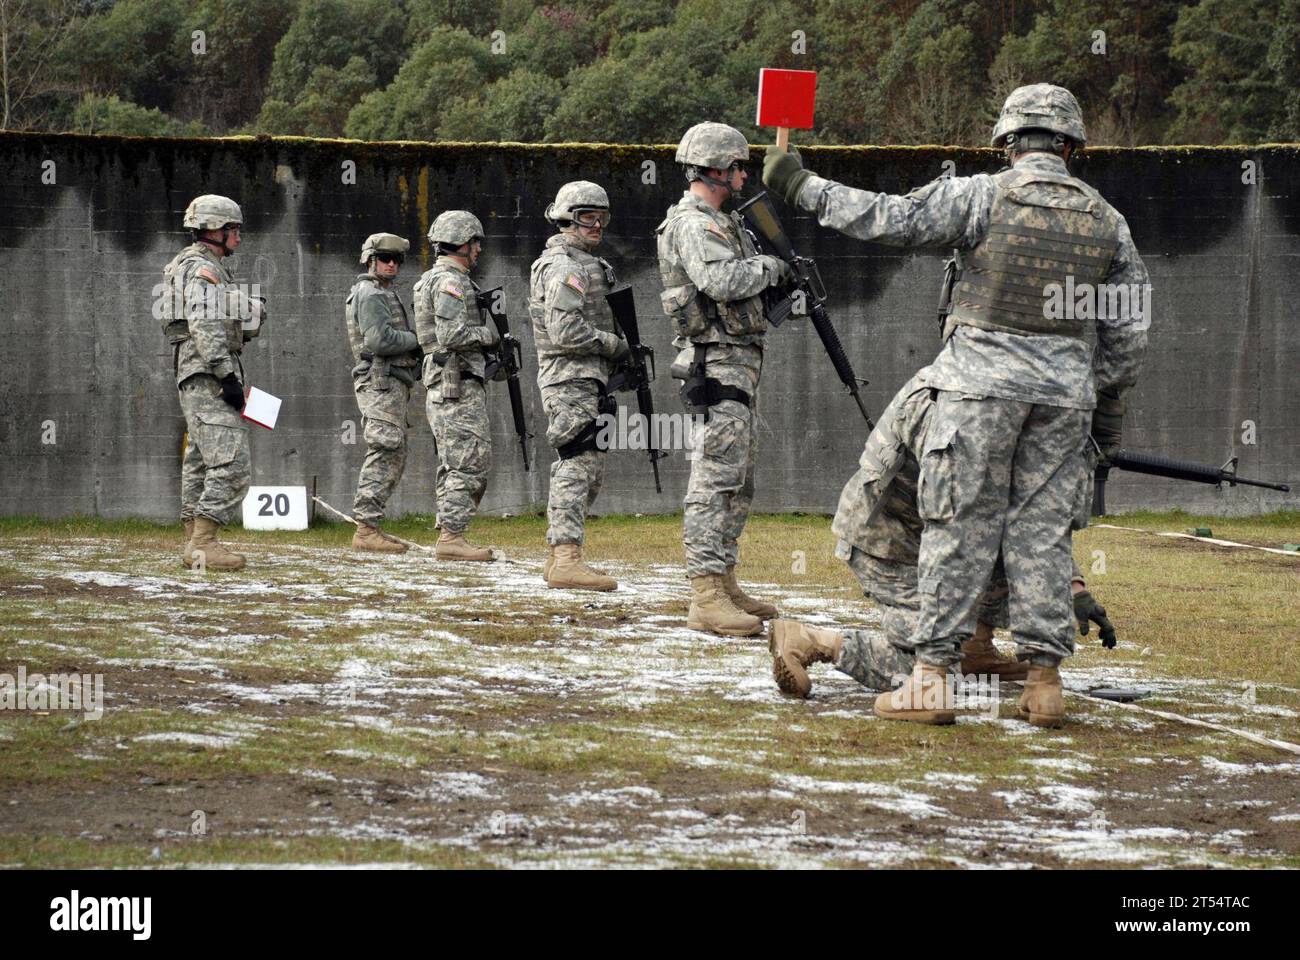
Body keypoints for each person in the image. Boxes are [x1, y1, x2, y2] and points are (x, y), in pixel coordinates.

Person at [763, 84, 1147, 726]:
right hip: (1064, 402)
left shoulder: (981, 196)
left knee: (958, 527)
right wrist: (1094, 396)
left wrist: (801, 185)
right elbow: (1129, 333)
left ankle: (932, 680)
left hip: (977, 389)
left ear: (1007, 143)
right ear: (1072, 146)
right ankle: (1045, 684)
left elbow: (892, 218)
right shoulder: (1108, 221)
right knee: (1041, 534)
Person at [768, 367, 1117, 714]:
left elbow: (1031, 512)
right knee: (936, 673)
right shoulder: (938, 398)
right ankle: (814, 641)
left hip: (949, 538)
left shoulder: (1018, 402)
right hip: (891, 545)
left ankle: (977, 650)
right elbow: (965, 515)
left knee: (1027, 580)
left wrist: (1072, 586)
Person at [656, 121, 793, 637]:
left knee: (739, 476)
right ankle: (706, 592)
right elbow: (720, 280)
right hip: (715, 362)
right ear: (717, 169)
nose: (744, 176)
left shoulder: (723, 222)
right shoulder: (695, 224)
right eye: (738, 167)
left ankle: (726, 579)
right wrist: (773, 269)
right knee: (715, 477)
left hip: (737, 359)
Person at [529, 181, 630, 591]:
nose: (598, 225)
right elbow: (565, 330)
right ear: (567, 218)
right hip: (569, 377)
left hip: (584, 377)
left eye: (602, 217)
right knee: (578, 463)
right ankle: (567, 557)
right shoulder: (566, 267)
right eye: (588, 216)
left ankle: (559, 559)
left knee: (588, 466)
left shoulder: (584, 263)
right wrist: (615, 345)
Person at [161, 194, 263, 572]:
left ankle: (195, 541)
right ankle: (203, 542)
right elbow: (204, 321)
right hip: (208, 371)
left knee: (202, 459)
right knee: (232, 461)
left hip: (198, 370)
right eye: (233, 230)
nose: (238, 237)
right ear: (214, 231)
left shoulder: (195, 266)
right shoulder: (202, 268)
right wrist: (226, 373)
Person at [413, 211, 498, 562]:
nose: (478, 249)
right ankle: (452, 537)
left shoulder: (438, 279)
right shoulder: (451, 282)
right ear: (462, 243)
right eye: (475, 242)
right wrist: (488, 336)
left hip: (453, 381)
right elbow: (450, 335)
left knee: (455, 460)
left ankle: (450, 530)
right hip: (455, 383)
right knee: (470, 460)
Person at [345, 233, 421, 553]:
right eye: (385, 259)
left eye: (397, 260)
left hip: (391, 381)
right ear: (370, 260)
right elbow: (378, 342)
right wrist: (416, 340)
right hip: (380, 380)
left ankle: (370, 526)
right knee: (385, 447)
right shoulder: (370, 293)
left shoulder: (383, 293)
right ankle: (365, 529)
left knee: (394, 451)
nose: (392, 265)